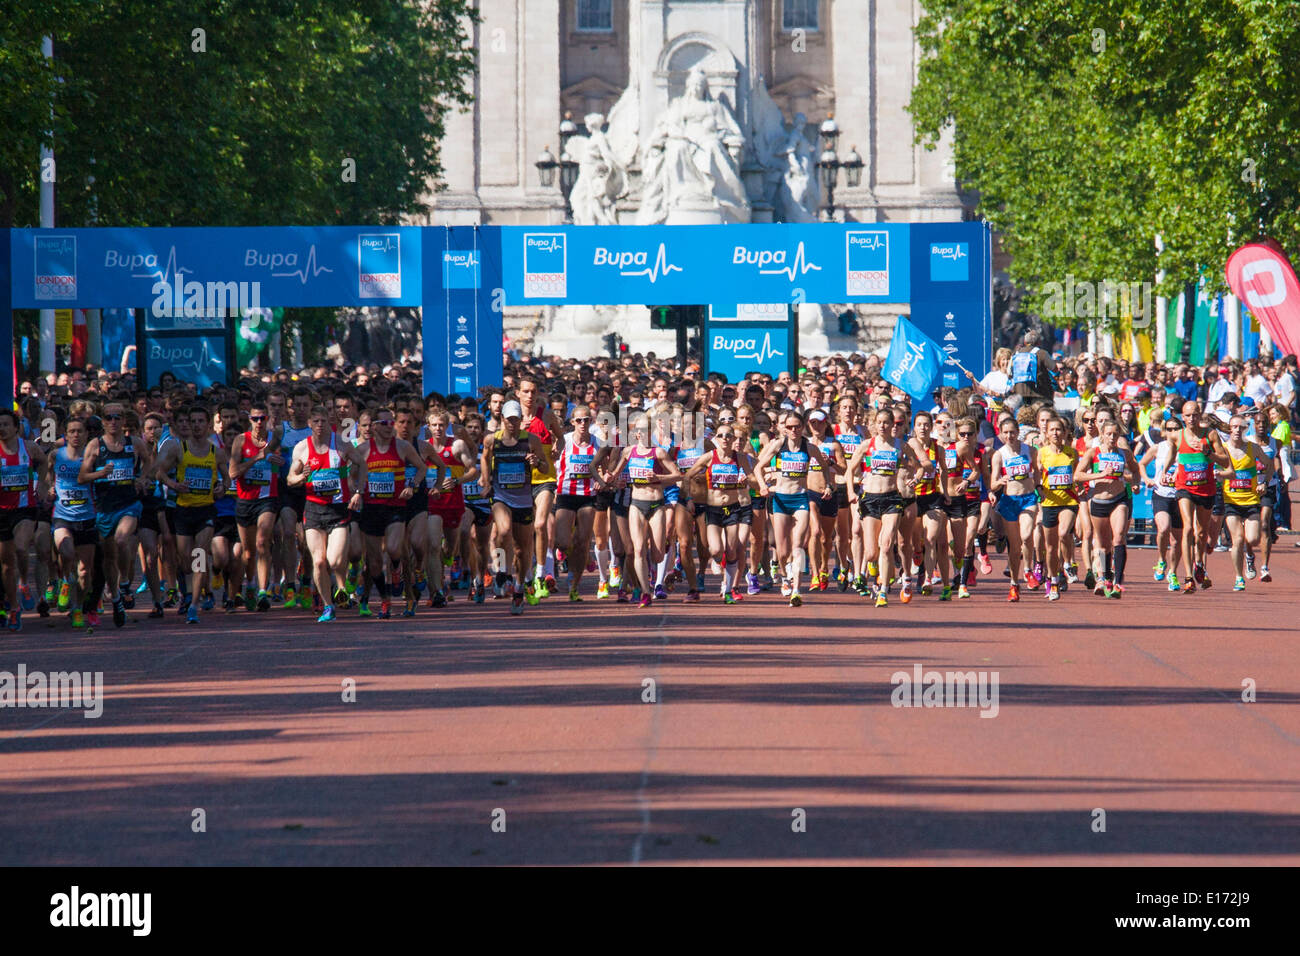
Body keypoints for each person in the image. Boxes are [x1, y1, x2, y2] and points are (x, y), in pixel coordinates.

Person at [286, 405, 368, 623]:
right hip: (313, 510)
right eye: (316, 421)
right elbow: (289, 479)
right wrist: (300, 479)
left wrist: (358, 491)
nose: (320, 425)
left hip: (338, 509)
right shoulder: (302, 448)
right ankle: (328, 606)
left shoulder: (341, 443)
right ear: (310, 424)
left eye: (324, 421)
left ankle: (341, 581)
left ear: (329, 422)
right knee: (319, 562)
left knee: (333, 560)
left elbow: (362, 464)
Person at [753, 409, 835, 606]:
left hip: (800, 499)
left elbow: (824, 467)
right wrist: (763, 485)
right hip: (780, 499)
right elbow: (758, 467)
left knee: (797, 545)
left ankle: (796, 590)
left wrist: (829, 485)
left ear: (802, 426)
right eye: (789, 427)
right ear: (784, 429)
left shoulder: (809, 447)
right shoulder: (778, 444)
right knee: (782, 552)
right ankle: (785, 577)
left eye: (797, 426)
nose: (793, 430)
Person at [153, 405, 227, 625]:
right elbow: (160, 473)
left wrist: (221, 488)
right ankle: (196, 590)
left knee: (199, 555)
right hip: (183, 510)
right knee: (185, 561)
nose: (195, 425)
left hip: (206, 510)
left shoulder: (216, 452)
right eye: (192, 421)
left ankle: (194, 604)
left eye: (200, 421)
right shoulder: (179, 449)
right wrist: (174, 485)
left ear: (208, 425)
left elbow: (227, 478)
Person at [78, 401, 145, 628]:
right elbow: (82, 477)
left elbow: (152, 461)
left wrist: (145, 477)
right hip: (104, 509)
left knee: (122, 539)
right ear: (103, 421)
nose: (113, 421)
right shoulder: (95, 446)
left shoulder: (133, 443)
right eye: (109, 418)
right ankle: (116, 599)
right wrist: (100, 473)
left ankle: (125, 582)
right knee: (108, 559)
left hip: (129, 504)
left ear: (124, 421)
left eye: (118, 417)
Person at [480, 401, 547, 614]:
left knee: (522, 548)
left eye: (516, 419)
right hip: (501, 496)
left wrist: (536, 462)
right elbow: (484, 457)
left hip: (524, 499)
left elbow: (545, 467)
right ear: (503, 419)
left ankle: (519, 587)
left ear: (520, 420)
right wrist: (486, 481)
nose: (512, 423)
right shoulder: (492, 440)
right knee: (504, 529)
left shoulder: (531, 441)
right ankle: (501, 569)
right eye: (508, 419)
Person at [1075, 419, 1140, 597]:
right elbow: (1077, 475)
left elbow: (1136, 470)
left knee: (1118, 537)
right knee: (1103, 545)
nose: (1112, 437)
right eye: (1109, 434)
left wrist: (1135, 484)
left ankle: (1118, 582)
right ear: (1102, 434)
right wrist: (1100, 475)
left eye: (1115, 434)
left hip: (1119, 500)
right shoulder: (1093, 453)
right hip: (1099, 501)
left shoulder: (1124, 453)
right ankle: (1104, 578)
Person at [229, 400, 283, 612]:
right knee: (249, 552)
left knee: (262, 542)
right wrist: (257, 458)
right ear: (249, 420)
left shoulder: (275, 439)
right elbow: (233, 472)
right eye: (255, 418)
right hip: (245, 500)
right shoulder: (241, 441)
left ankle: (263, 590)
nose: (259, 422)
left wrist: (280, 462)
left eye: (263, 418)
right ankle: (250, 584)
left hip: (268, 498)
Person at [1216, 414, 1273, 591]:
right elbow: (1216, 468)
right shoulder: (1223, 449)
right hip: (1231, 501)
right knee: (1237, 540)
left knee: (1253, 538)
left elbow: (1269, 465)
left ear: (1245, 429)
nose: (1237, 431)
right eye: (1234, 427)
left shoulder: (1253, 448)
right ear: (1229, 429)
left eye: (1241, 428)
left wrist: (1264, 483)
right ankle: (1239, 577)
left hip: (1251, 501)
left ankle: (1250, 556)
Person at [988, 415, 1042, 601]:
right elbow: (993, 484)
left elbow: (1037, 472)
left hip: (1028, 498)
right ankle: (1013, 584)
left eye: (1012, 432)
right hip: (1009, 501)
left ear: (1018, 432)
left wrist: (1038, 487)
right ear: (1001, 434)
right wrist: (999, 482)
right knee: (1015, 546)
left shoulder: (1029, 450)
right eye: (1006, 433)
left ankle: (1027, 570)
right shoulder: (999, 455)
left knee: (1027, 535)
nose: (1009, 435)